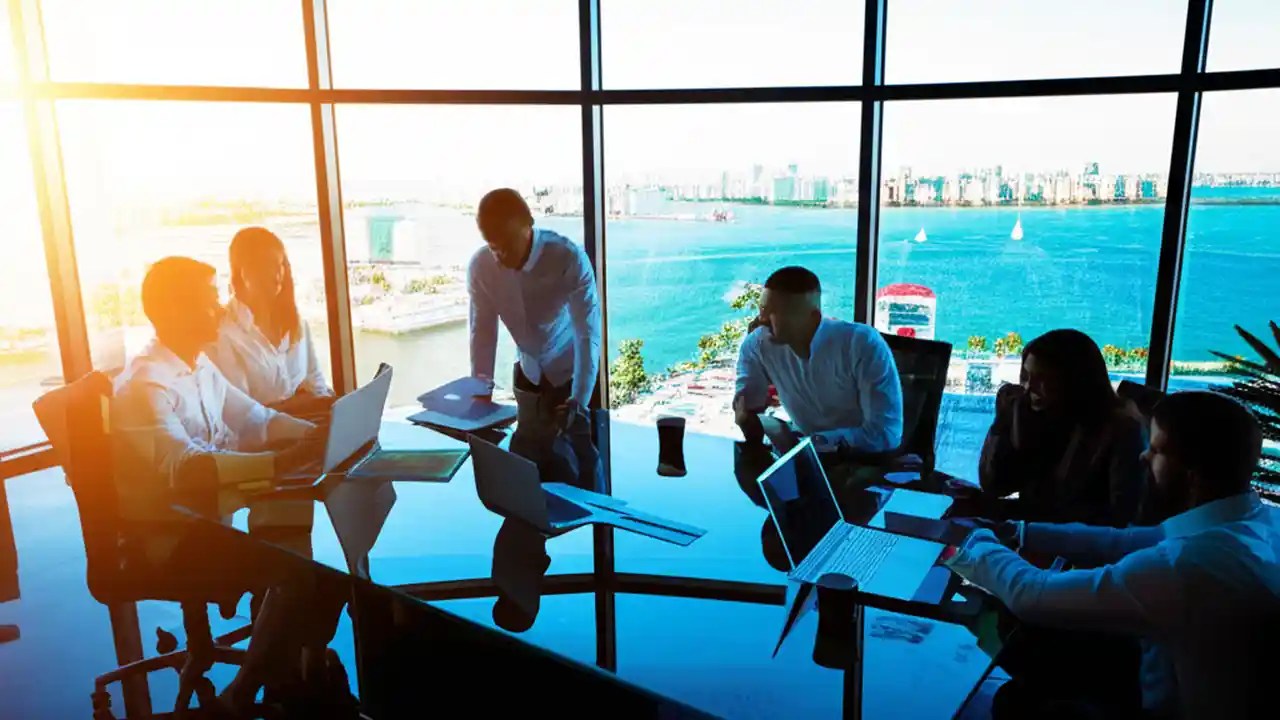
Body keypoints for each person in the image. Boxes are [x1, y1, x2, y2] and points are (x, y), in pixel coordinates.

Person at [949, 391, 1280, 720]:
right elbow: (1127, 540)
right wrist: (1018, 531)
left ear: (1191, 471)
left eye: (1157, 449)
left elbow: (1031, 596)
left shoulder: (1186, 565)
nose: (1143, 457)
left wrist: (975, 541)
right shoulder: (1259, 521)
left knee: (1016, 698)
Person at [110, 256, 330, 716]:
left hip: (213, 514)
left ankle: (297, 663)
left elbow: (254, 417)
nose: (221, 309)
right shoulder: (144, 386)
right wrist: (280, 462)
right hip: (171, 535)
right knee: (293, 573)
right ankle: (239, 696)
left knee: (317, 555)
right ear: (173, 312)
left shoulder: (198, 363)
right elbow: (187, 468)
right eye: (209, 301)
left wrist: (314, 435)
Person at [468, 188, 602, 488]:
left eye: (507, 245)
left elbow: (587, 334)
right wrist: (480, 399)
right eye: (493, 247)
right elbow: (483, 335)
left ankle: (596, 524)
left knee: (583, 467)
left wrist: (579, 400)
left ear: (529, 224)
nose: (500, 256)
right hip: (527, 374)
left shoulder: (567, 257)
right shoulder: (481, 267)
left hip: (572, 373)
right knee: (526, 470)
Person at [733, 266, 903, 482]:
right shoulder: (758, 345)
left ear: (812, 317)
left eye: (774, 312)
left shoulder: (860, 344)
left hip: (868, 468)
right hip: (810, 466)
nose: (762, 319)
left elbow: (885, 435)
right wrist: (748, 412)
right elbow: (748, 410)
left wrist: (814, 442)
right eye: (763, 309)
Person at [979, 328, 1146, 526]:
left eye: (1042, 379)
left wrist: (1013, 515)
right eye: (1026, 376)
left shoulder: (1121, 430)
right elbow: (994, 485)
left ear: (1074, 381)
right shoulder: (1037, 414)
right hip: (1035, 537)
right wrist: (1005, 421)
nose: (1029, 387)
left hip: (1078, 548)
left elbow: (1119, 519)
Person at [207, 226, 333, 417]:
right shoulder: (226, 334)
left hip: (310, 425)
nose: (278, 273)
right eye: (267, 264)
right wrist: (301, 404)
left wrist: (327, 417)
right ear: (242, 271)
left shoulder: (295, 322)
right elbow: (243, 414)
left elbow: (316, 382)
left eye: (281, 264)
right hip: (266, 441)